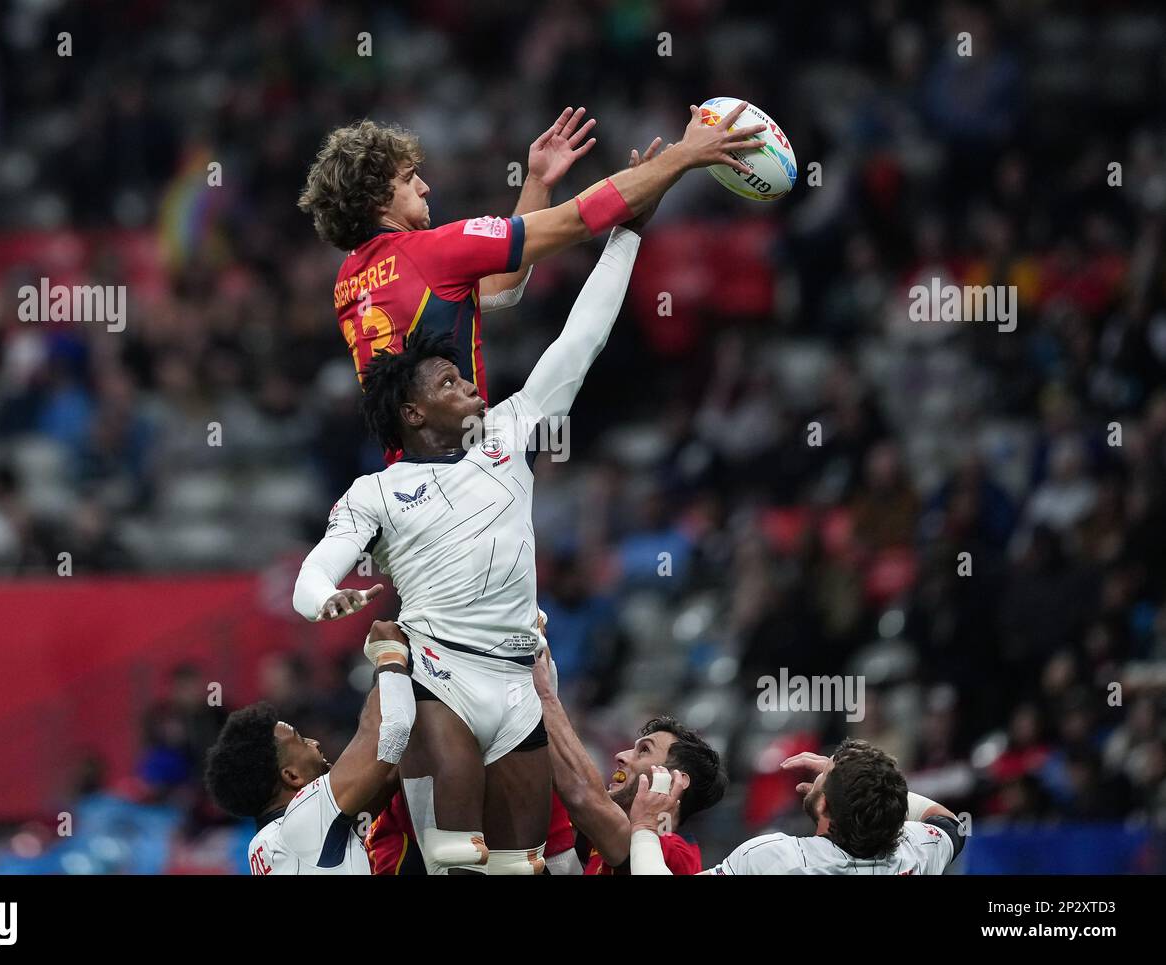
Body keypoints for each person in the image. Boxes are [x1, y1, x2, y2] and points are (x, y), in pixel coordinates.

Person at [291, 161, 660, 872]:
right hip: (439, 678)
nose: (471, 385)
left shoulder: (510, 432)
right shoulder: (378, 491)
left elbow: (580, 341)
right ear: (414, 411)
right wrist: (320, 601)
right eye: (452, 382)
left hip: (517, 684)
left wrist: (628, 240)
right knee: (456, 859)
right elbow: (316, 568)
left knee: (520, 867)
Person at [299, 105, 766, 407]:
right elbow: (577, 221)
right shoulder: (431, 251)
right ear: (378, 199)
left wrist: (538, 182)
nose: (424, 186)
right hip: (462, 471)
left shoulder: (351, 277)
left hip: (406, 477)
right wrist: (682, 156)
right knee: (573, 355)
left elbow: (503, 289)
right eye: (408, 178)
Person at [203, 644, 414, 875]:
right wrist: (389, 653)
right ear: (292, 776)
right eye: (301, 740)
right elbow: (388, 734)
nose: (315, 743)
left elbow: (384, 775)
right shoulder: (300, 823)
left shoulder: (265, 846)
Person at [628, 738, 967, 875]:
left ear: (825, 806)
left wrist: (645, 827)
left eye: (827, 772)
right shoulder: (914, 852)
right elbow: (951, 823)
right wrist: (862, 784)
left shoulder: (779, 859)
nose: (821, 770)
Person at [532, 645, 724, 874]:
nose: (620, 756)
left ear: (674, 782)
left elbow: (582, 795)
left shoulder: (679, 859)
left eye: (644, 751)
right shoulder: (598, 839)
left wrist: (546, 697)